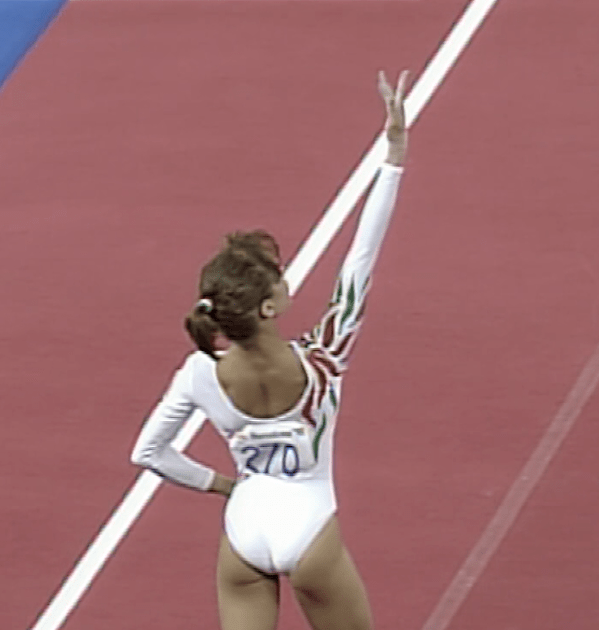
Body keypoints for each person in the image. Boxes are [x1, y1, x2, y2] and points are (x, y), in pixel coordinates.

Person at [130, 69, 410, 630]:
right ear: (267, 307)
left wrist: (228, 487)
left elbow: (149, 455)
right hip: (309, 532)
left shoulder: (196, 374)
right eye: (278, 278)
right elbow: (361, 257)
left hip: (244, 530)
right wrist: (394, 153)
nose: (286, 281)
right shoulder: (325, 356)